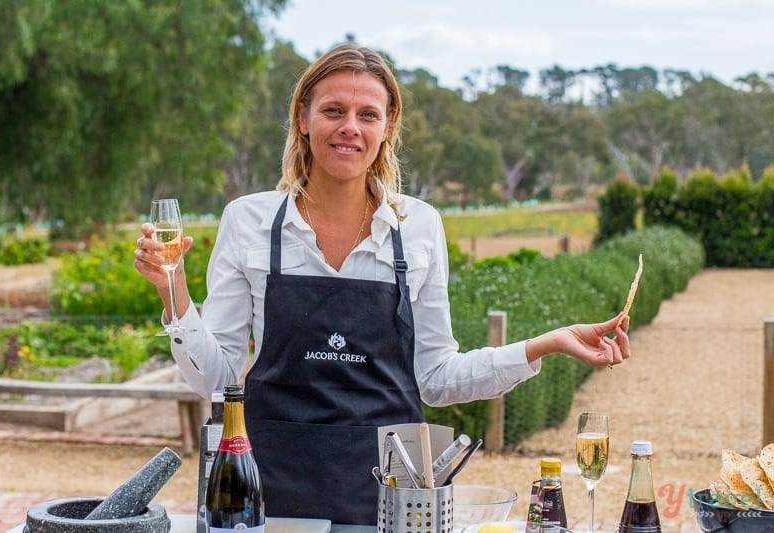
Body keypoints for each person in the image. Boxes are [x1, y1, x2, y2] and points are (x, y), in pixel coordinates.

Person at [134, 43, 630, 525]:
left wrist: (547, 344)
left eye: (367, 114)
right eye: (333, 110)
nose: (349, 127)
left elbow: (435, 377)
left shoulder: (419, 226)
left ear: (387, 126)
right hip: (269, 492)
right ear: (302, 119)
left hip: (394, 501)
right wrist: (171, 287)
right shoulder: (248, 221)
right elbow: (217, 379)